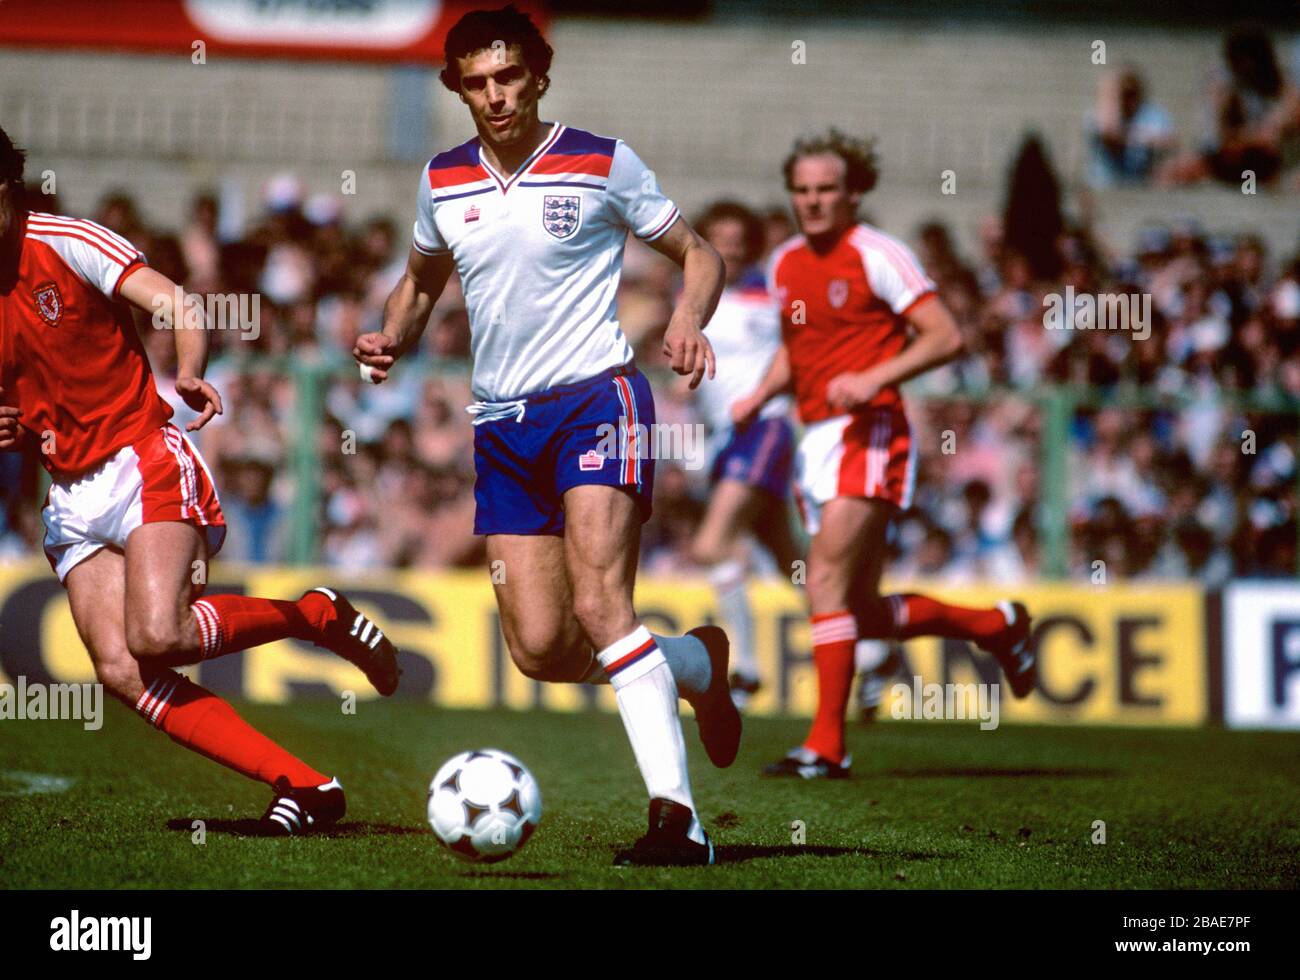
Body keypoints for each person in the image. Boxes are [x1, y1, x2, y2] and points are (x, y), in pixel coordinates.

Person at [354, 5, 737, 865]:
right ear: (458, 87)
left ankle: (679, 823)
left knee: (604, 607)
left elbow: (701, 252)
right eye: (478, 82)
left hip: (597, 400)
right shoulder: (442, 180)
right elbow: (416, 288)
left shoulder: (603, 161)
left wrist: (687, 317)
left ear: (539, 77)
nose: (496, 96)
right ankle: (697, 665)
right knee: (542, 649)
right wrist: (390, 336)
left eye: (510, 77)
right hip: (501, 426)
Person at [0, 125, 401, 835]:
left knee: (160, 635)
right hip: (69, 489)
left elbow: (181, 305)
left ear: (7, 190)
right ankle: (307, 787)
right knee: (122, 673)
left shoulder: (66, 240)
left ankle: (316, 616)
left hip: (140, 454)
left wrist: (187, 370)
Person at [732, 130, 1037, 779]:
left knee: (823, 585)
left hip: (869, 433)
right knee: (858, 610)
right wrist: (760, 394)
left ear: (853, 193)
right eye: (802, 190)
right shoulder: (786, 261)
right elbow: (799, 345)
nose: (812, 202)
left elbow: (946, 335)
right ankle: (995, 626)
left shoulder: (878, 254)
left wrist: (878, 377)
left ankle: (827, 745)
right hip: (815, 439)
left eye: (825, 190)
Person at [687, 201, 799, 708]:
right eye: (718, 236)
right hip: (724, 438)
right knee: (790, 559)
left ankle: (748, 668)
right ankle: (870, 652)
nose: (728, 246)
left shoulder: (771, 291)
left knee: (712, 544)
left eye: (737, 237)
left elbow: (800, 347)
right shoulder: (694, 294)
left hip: (764, 426)